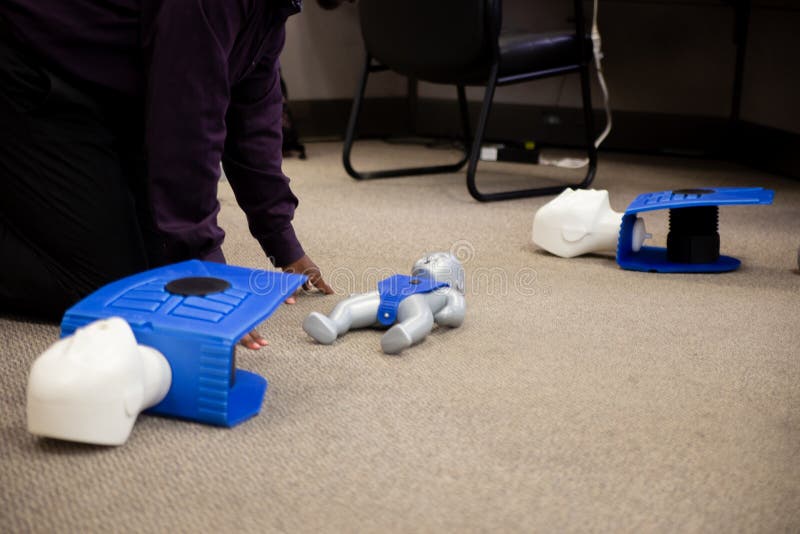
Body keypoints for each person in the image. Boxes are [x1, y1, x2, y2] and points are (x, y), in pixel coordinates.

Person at [0, 0, 337, 348]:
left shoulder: (272, 9)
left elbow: (252, 118)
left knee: (153, 272)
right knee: (109, 289)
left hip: (108, 97)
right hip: (31, 65)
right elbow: (186, 127)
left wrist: (281, 240)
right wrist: (204, 273)